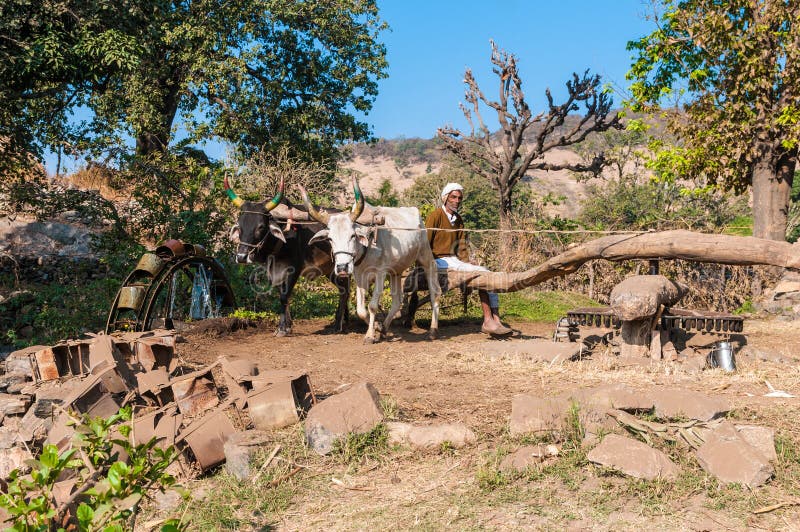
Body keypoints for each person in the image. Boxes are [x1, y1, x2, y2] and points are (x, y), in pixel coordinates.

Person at [425, 182, 513, 336]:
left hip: (455, 260)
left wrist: (467, 261)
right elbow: (425, 242)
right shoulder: (435, 216)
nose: (457, 201)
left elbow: (462, 246)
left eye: (459, 198)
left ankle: (496, 320)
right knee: (482, 274)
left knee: (486, 272)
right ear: (445, 198)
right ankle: (487, 320)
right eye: (453, 197)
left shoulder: (458, 219)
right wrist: (428, 263)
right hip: (439, 261)